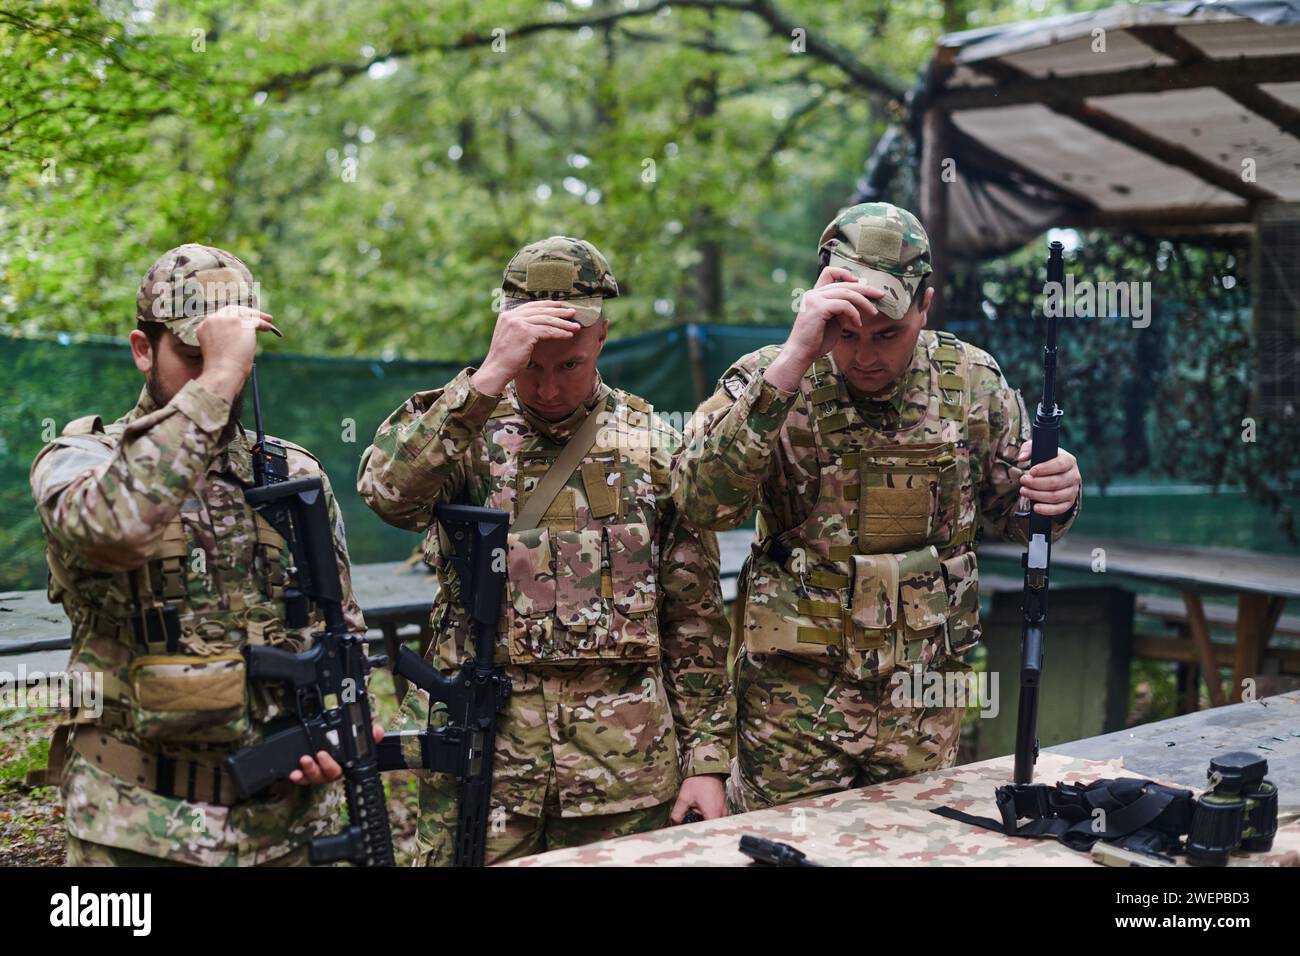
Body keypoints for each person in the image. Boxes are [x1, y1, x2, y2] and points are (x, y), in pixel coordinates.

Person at [671, 203, 1082, 811]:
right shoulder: (769, 378)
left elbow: (1018, 518)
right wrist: (791, 364)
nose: (865, 355)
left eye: (888, 334)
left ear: (925, 305)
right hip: (794, 712)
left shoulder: (971, 382)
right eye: (847, 334)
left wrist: (1057, 494)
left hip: (922, 705)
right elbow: (701, 502)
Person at [358, 236, 732, 865]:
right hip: (485, 765)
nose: (550, 387)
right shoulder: (463, 431)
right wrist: (485, 380)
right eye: (532, 364)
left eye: (570, 365)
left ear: (603, 340)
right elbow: (386, 493)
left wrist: (708, 762)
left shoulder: (653, 448)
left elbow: (692, 619)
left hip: (624, 770)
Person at [30, 244, 366, 865]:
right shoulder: (83, 461)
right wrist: (214, 382)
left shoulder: (292, 475)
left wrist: (333, 736)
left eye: (234, 354)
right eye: (194, 355)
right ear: (141, 350)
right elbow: (118, 526)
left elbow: (337, 631)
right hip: (135, 827)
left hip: (283, 829)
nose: (227, 373)